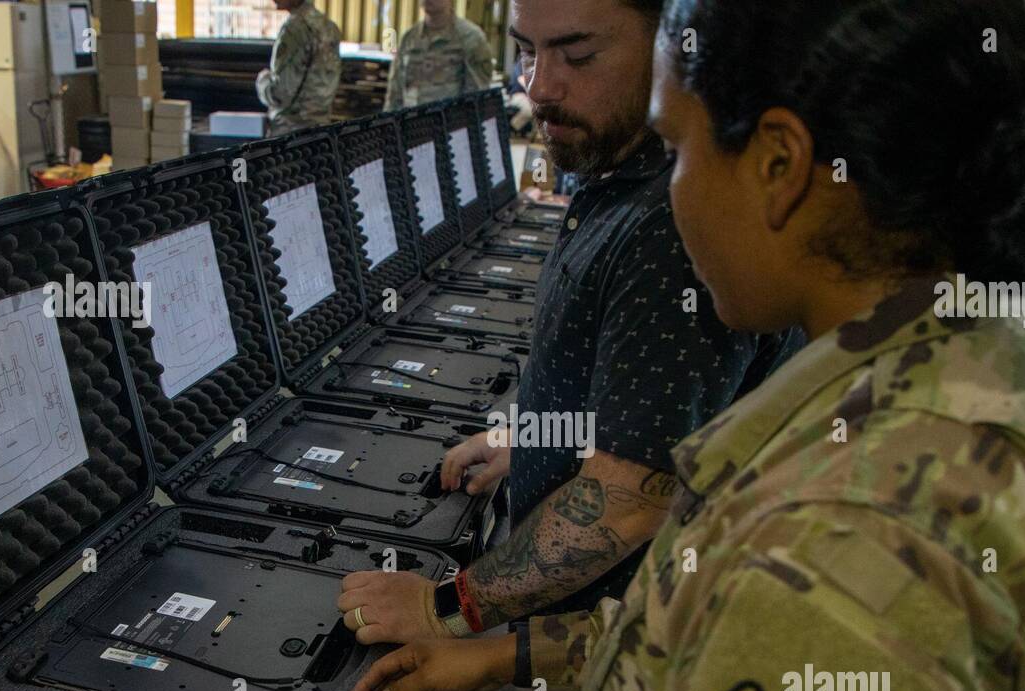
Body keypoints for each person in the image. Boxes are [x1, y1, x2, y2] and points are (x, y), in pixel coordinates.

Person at [347, 0, 1025, 691]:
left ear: (779, 166)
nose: (672, 191)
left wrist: (459, 613)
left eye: (681, 150)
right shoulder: (949, 368)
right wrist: (508, 654)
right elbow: (693, 631)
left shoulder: (842, 555)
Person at [339, 0, 796, 652]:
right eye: (527, 50)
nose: (539, 86)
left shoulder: (672, 222)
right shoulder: (613, 163)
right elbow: (624, 396)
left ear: (672, 45)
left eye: (578, 56)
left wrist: (444, 608)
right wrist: (535, 444)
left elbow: (631, 499)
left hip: (611, 650)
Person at [384, 0, 495, 110]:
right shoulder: (410, 38)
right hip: (411, 123)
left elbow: (476, 96)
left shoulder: (471, 38)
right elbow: (395, 92)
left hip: (450, 123)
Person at [256, 0, 342, 135]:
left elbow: (281, 94)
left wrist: (263, 82)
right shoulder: (329, 27)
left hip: (290, 134)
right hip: (320, 131)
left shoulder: (294, 29)